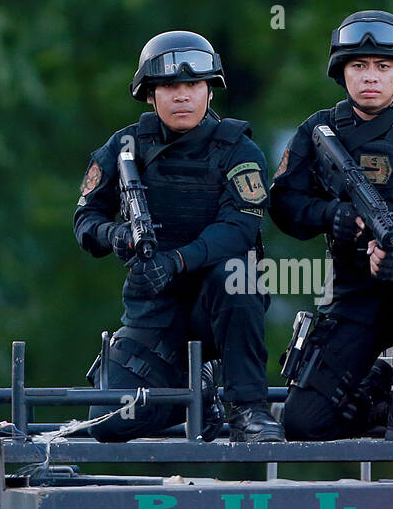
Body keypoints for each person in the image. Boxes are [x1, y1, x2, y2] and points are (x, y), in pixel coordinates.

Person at [270, 10, 393, 440]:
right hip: (355, 293)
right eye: (358, 66)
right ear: (342, 72)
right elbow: (284, 203)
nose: (370, 77)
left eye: (383, 67)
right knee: (302, 423)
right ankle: (378, 393)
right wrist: (331, 215)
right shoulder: (319, 132)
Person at [73, 30, 284, 443]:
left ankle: (248, 410)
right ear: (150, 95)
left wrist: (178, 260)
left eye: (192, 85)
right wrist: (116, 235)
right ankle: (197, 396)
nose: (182, 95)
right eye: (169, 86)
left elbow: (240, 227)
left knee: (236, 274)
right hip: (154, 306)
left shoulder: (238, 150)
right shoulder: (124, 147)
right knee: (107, 422)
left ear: (210, 91)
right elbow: (85, 220)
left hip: (219, 302)